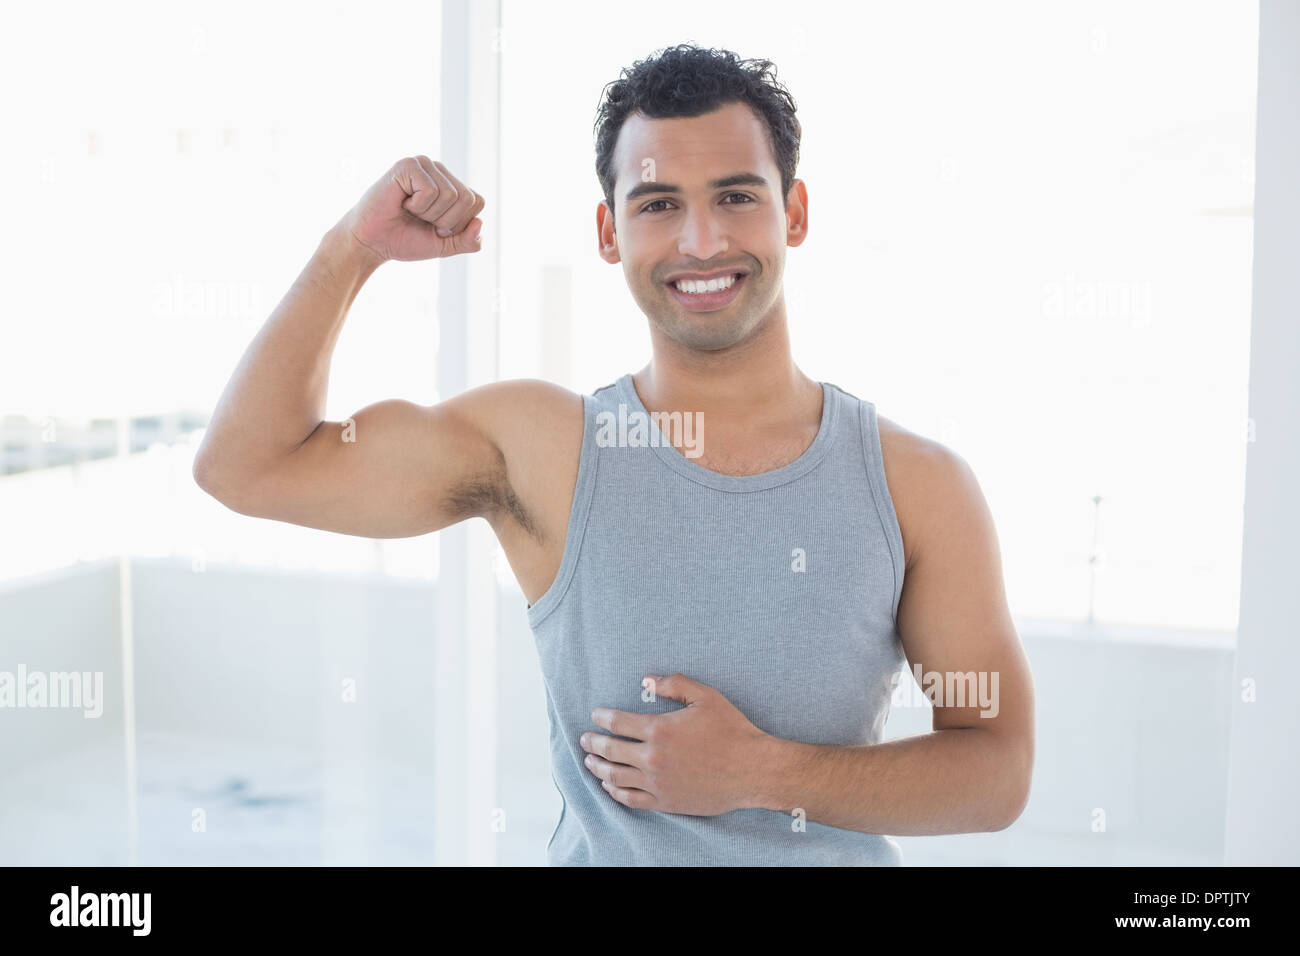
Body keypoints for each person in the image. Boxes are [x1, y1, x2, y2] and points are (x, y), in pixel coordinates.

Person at [193, 43, 1034, 866]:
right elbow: (245, 467)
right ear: (609, 231)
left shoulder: (915, 485)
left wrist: (762, 772)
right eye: (658, 203)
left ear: (796, 212)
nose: (701, 242)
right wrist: (354, 247)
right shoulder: (542, 450)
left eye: (737, 195)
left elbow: (996, 771)